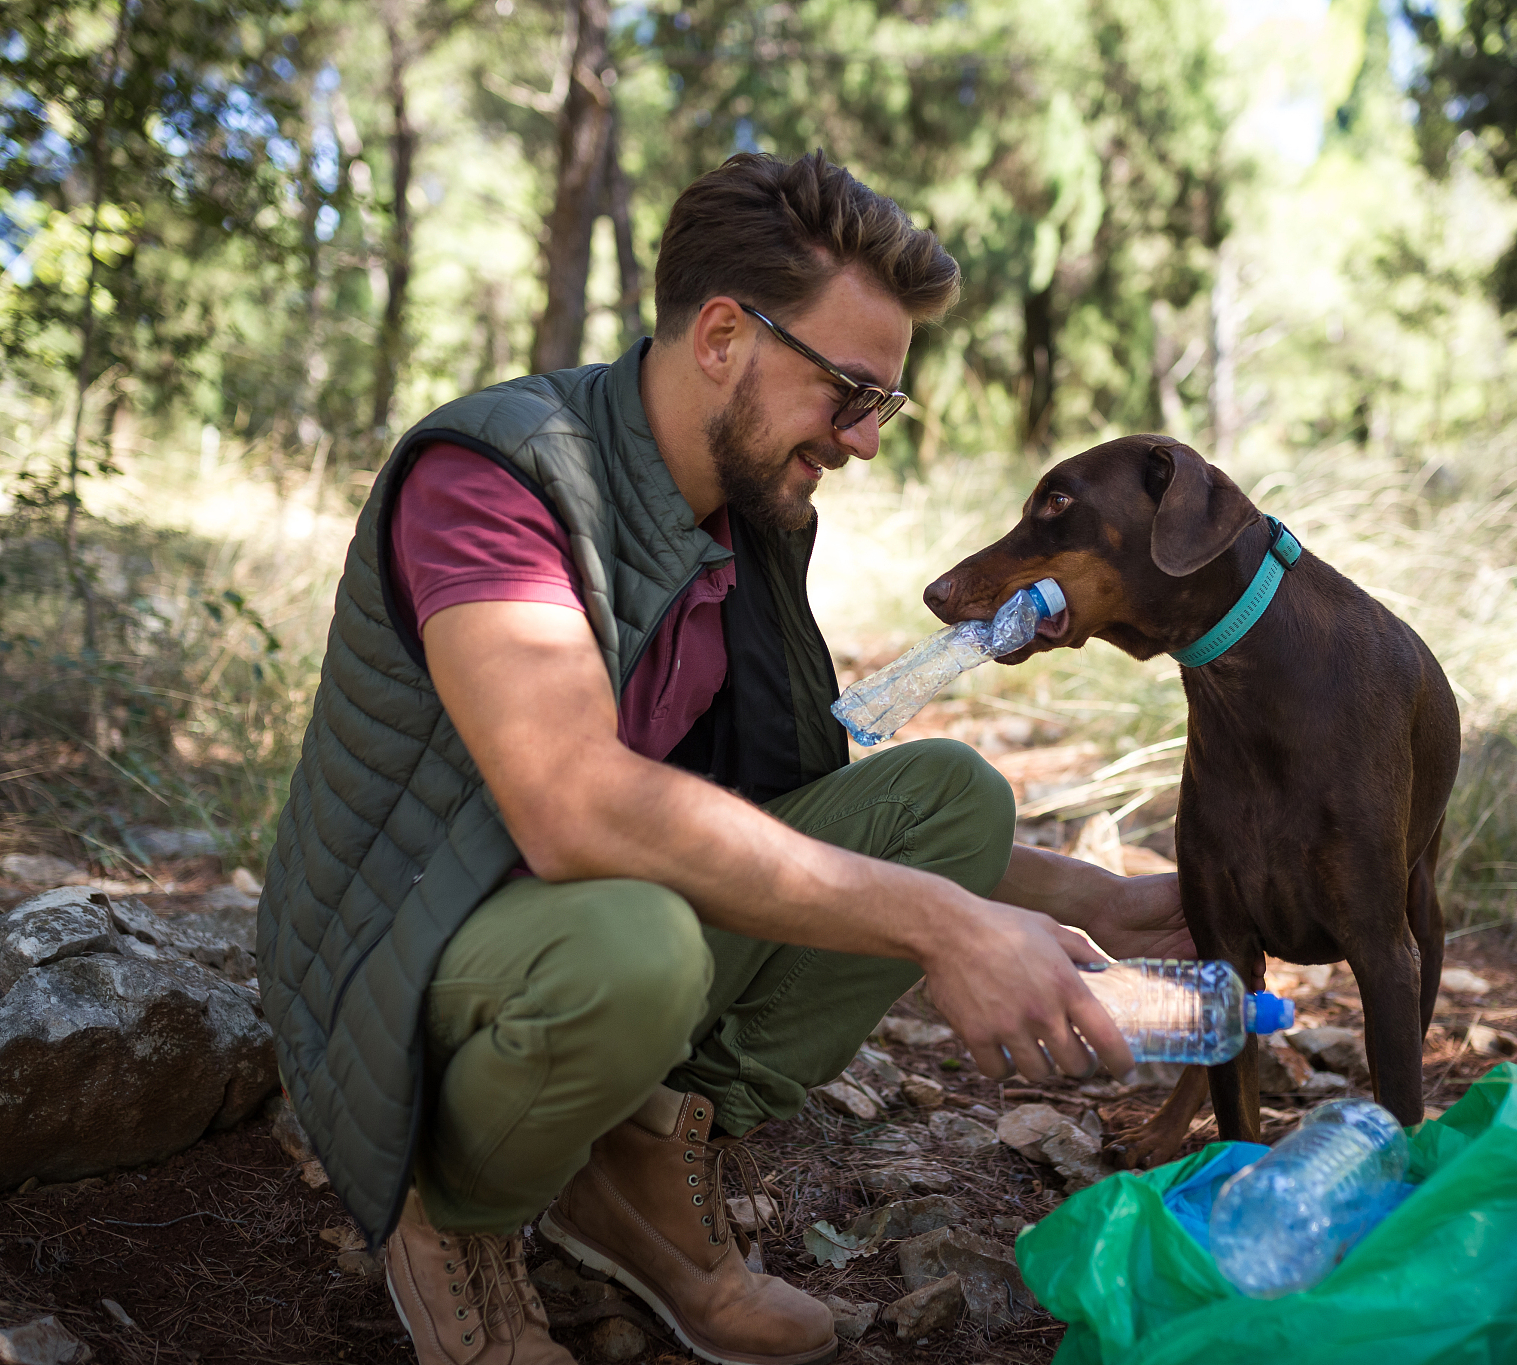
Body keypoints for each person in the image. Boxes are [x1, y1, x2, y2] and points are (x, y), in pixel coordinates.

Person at [257, 150, 1191, 1365]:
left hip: (565, 921)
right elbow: (570, 806)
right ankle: (451, 1215)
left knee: (943, 802)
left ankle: (634, 1163)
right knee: (634, 950)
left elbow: (781, 797)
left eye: (882, 406)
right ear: (718, 337)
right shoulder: (496, 475)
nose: (861, 440)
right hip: (403, 952)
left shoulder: (743, 515)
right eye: (849, 390)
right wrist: (941, 928)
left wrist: (1106, 899)